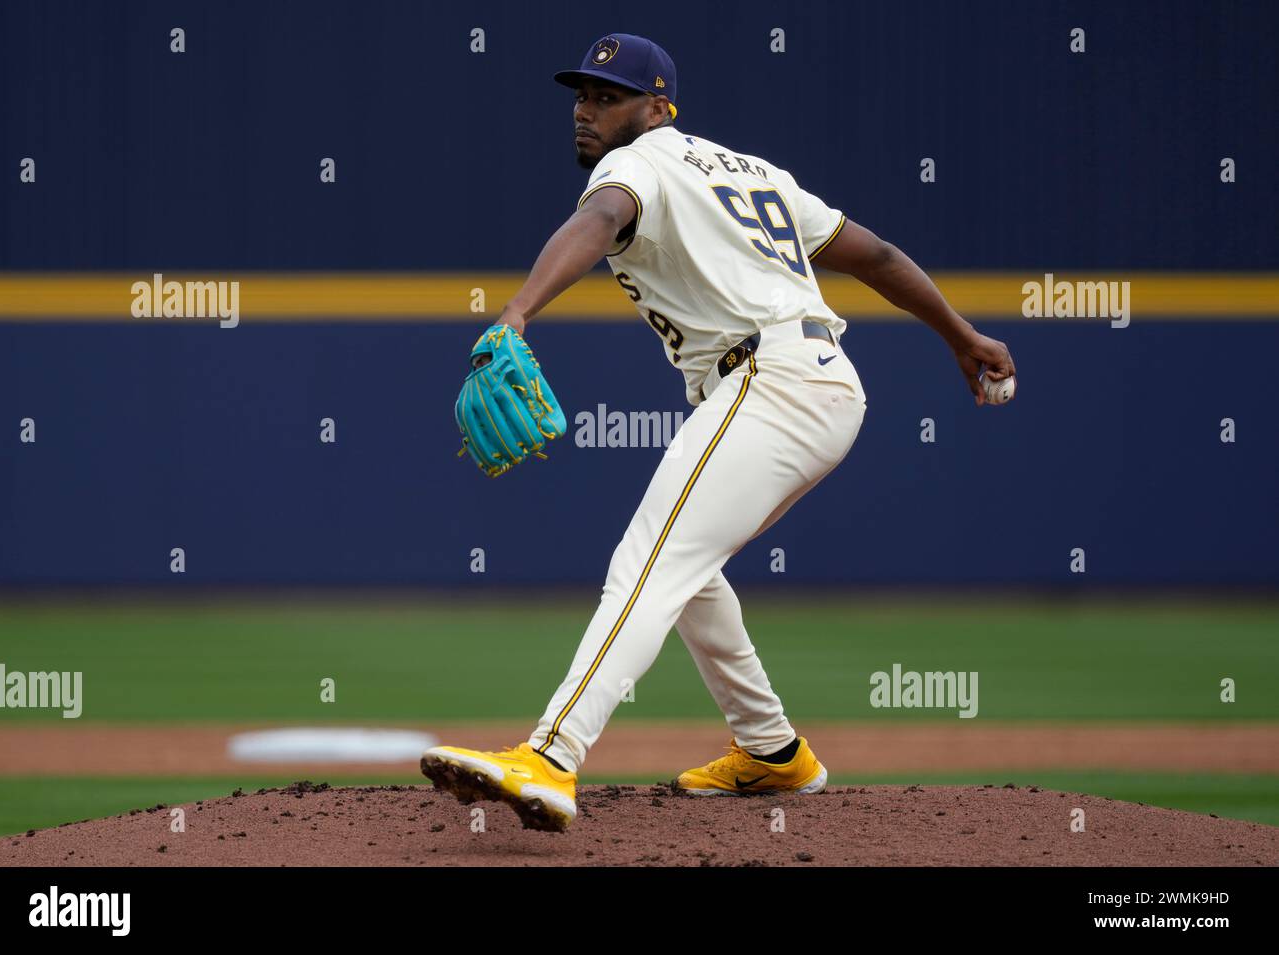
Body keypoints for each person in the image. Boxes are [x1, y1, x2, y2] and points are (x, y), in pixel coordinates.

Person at [421, 33, 1016, 831]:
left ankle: (551, 757)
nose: (587, 111)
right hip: (814, 384)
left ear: (658, 107)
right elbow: (872, 253)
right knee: (689, 568)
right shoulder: (753, 171)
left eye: (609, 97)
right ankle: (772, 752)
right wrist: (959, 335)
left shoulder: (637, 165)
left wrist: (518, 311)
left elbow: (602, 217)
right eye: (583, 96)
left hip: (769, 381)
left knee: (648, 560)